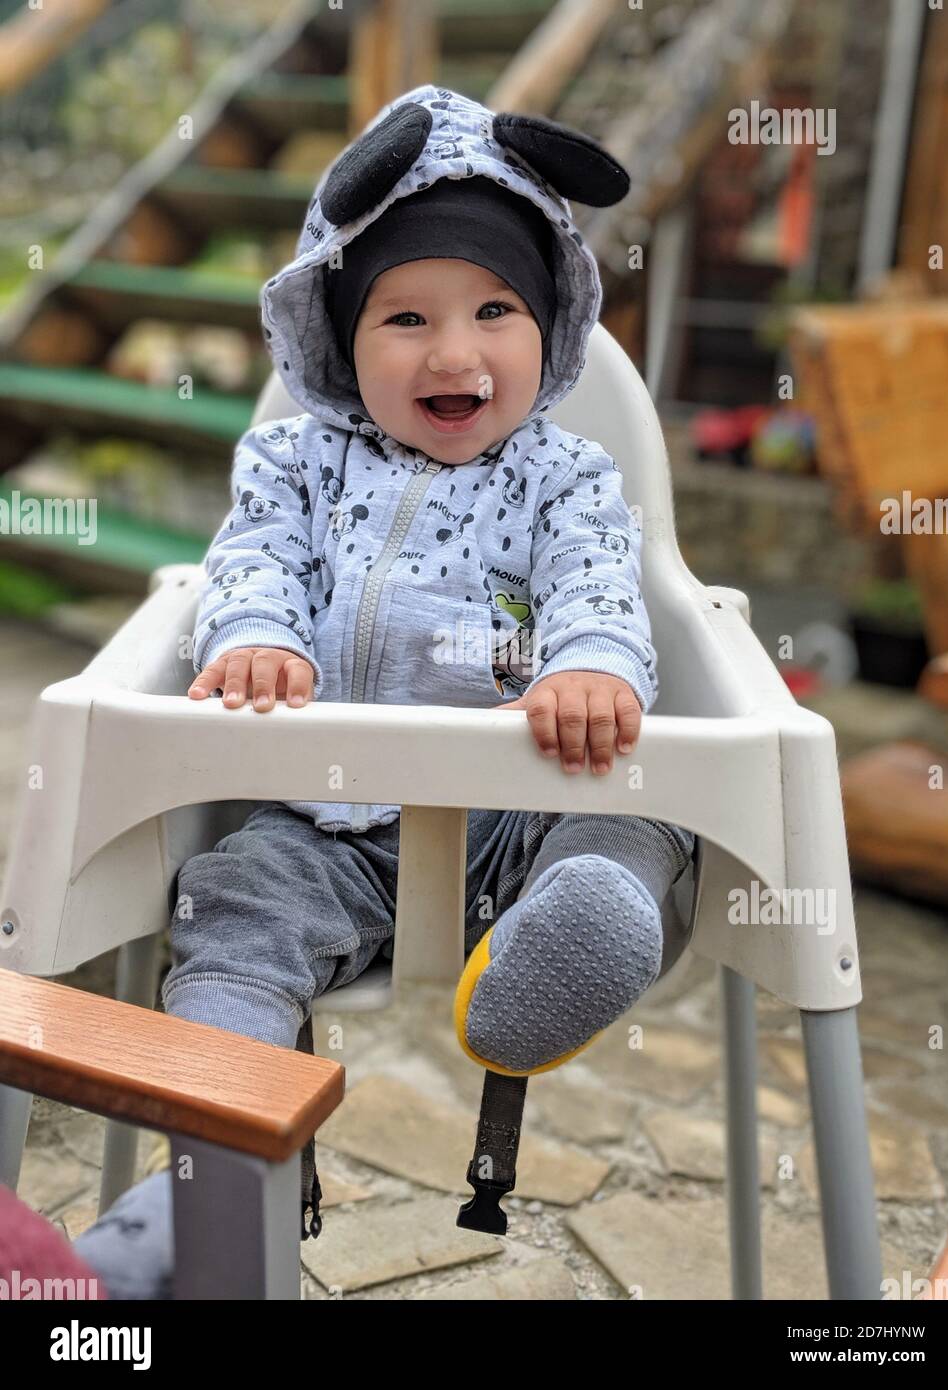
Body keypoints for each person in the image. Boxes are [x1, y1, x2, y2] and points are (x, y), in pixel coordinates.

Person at [74, 83, 696, 1297]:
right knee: (231, 903)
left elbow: (601, 589)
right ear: (341, 335)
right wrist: (258, 636)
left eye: (496, 310)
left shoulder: (567, 476)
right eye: (405, 316)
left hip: (523, 811)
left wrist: (589, 669)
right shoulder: (295, 459)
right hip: (328, 818)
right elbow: (249, 557)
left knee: (641, 820)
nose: (454, 353)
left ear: (552, 322)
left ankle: (568, 937)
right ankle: (226, 1149)